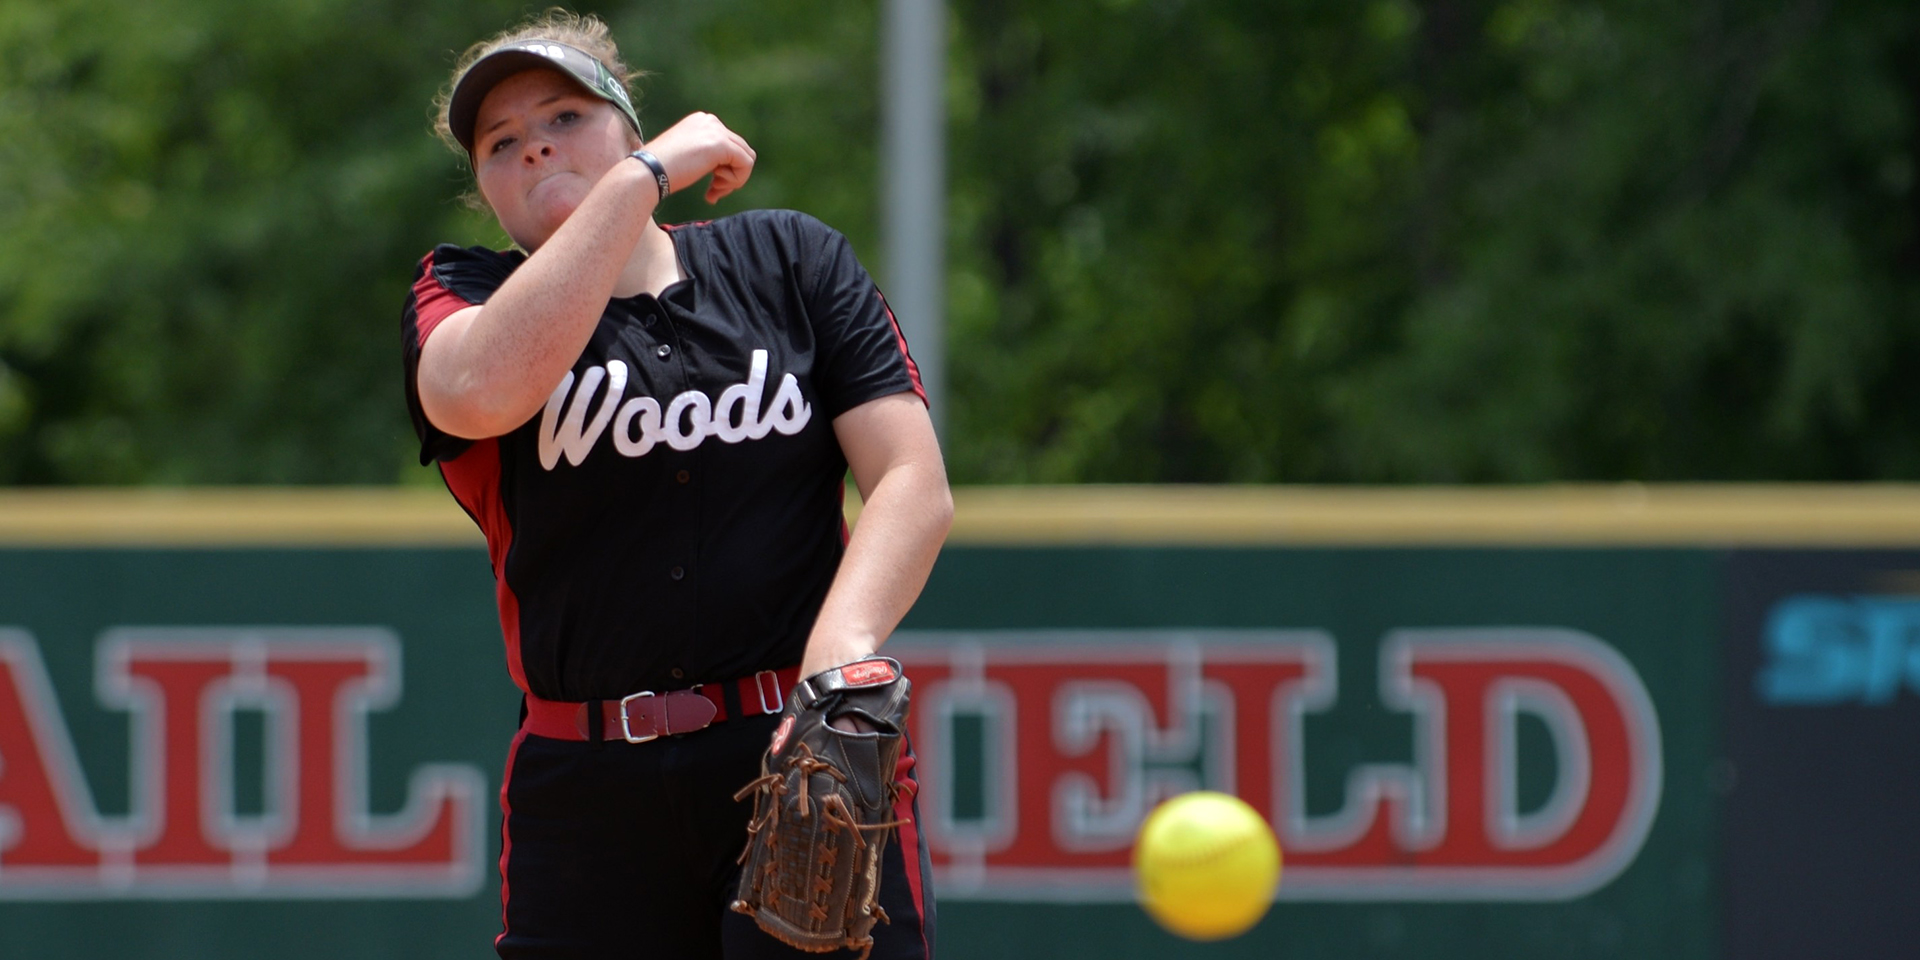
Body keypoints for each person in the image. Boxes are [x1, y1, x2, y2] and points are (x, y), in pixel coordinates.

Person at [398, 11, 951, 959]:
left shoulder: (787, 260)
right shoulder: (463, 295)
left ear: (624, 115)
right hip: (588, 790)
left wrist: (836, 665)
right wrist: (643, 177)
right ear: (485, 188)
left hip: (795, 750)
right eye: (501, 142)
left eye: (565, 115)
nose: (534, 144)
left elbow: (910, 477)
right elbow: (479, 392)